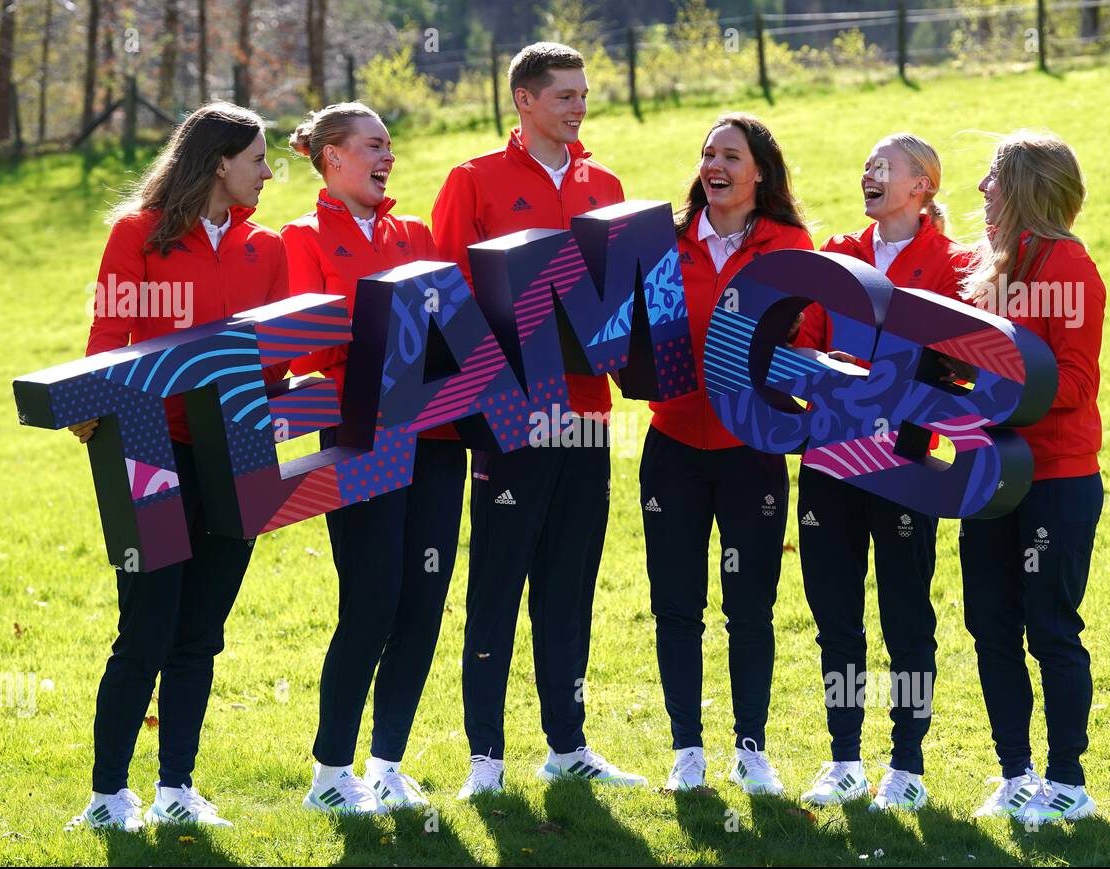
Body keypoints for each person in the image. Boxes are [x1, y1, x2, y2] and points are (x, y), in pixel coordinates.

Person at [430, 42, 645, 798]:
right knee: (496, 584)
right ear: (524, 100)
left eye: (583, 93)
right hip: (509, 422)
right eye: (563, 95)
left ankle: (568, 744)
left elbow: (628, 300)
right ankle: (484, 758)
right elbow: (448, 298)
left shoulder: (608, 183)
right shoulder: (473, 181)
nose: (578, 106)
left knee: (569, 583)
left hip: (588, 418)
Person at [73, 102, 286, 830]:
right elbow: (105, 336)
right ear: (218, 162)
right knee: (147, 627)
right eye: (257, 159)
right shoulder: (137, 234)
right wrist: (87, 408)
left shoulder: (270, 249)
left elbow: (280, 356)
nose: (267, 172)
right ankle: (107, 797)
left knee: (203, 630)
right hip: (149, 451)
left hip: (241, 449)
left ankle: (177, 790)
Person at [281, 102, 466, 815]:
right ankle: (331, 774)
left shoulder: (416, 232)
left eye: (390, 144)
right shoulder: (300, 236)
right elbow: (304, 349)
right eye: (371, 146)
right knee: (372, 599)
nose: (387, 156)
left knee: (423, 599)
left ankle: (386, 763)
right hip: (357, 438)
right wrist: (386, 338)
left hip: (437, 437)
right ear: (331, 157)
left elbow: (449, 326)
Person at [792, 133, 972, 812]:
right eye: (864, 164)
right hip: (828, 459)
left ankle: (908, 762)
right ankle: (843, 757)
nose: (868, 173)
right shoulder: (837, 254)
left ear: (922, 185)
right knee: (835, 616)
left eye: (883, 167)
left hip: (905, 465)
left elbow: (967, 371)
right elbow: (804, 341)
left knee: (905, 616)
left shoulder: (954, 265)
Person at [644, 114, 813, 794]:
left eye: (731, 155)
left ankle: (751, 750)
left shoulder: (792, 247)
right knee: (676, 604)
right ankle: (688, 750)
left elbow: (806, 343)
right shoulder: (664, 243)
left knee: (751, 606)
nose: (715, 164)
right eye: (708, 152)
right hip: (674, 446)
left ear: (760, 174)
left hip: (754, 448)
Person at [960, 131, 1106, 825]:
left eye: (993, 177)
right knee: (990, 623)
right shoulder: (992, 267)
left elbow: (1074, 383)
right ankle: (1015, 774)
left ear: (1024, 187)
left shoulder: (1069, 268)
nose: (982, 189)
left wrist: (997, 383)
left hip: (1055, 477)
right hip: (990, 474)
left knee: (1049, 627)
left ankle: (1068, 782)